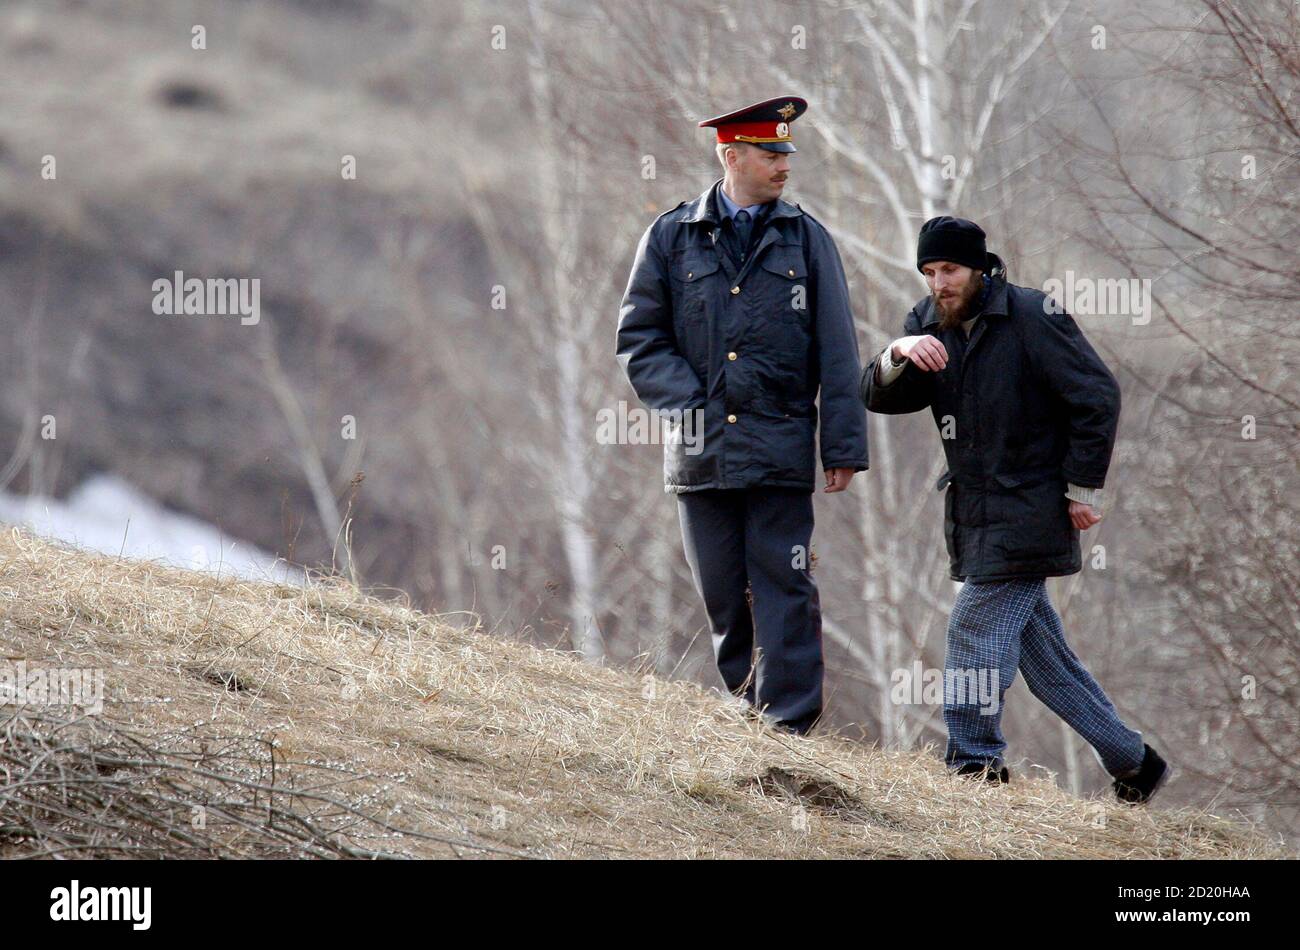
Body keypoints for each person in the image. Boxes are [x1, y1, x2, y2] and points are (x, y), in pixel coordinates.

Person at [861, 215, 1169, 803]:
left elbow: (1096, 396)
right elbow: (882, 399)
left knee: (974, 629)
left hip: (1032, 508)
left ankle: (974, 765)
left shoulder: (1032, 315)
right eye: (928, 272)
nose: (938, 283)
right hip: (972, 514)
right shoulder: (926, 323)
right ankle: (1134, 762)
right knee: (1043, 656)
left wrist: (1083, 488)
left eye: (948, 269)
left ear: (979, 267)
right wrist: (896, 353)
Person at [615, 96, 868, 734]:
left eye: (786, 152)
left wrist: (841, 448)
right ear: (732, 155)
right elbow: (640, 339)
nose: (785, 164)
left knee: (785, 588)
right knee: (725, 597)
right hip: (701, 452)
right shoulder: (671, 237)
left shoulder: (807, 240)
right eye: (770, 152)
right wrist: (693, 408)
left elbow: (837, 350)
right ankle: (750, 714)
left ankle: (789, 726)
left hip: (780, 449)